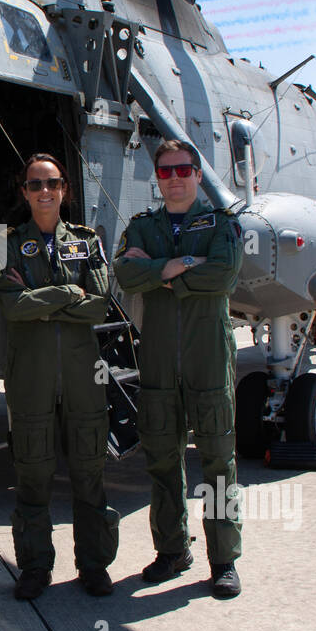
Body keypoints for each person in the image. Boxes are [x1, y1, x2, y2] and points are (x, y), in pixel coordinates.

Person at [114, 140, 244, 599]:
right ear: (157, 176)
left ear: (197, 174)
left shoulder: (221, 224)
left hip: (207, 356)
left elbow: (224, 275)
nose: (174, 179)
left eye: (183, 170)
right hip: (158, 362)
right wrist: (186, 263)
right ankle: (172, 551)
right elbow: (124, 276)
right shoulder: (142, 226)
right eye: (165, 172)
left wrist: (160, 271)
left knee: (218, 460)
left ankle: (224, 559)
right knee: (163, 461)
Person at [0, 154, 119, 599]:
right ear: (24, 192)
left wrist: (38, 300)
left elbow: (100, 304)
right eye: (34, 185)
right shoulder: (9, 244)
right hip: (31, 378)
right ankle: (34, 567)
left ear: (64, 189)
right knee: (32, 474)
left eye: (52, 183)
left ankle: (93, 565)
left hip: (83, 377)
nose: (44, 192)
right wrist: (68, 292)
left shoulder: (87, 242)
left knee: (89, 472)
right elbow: (12, 307)